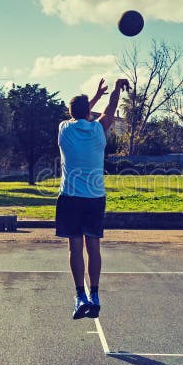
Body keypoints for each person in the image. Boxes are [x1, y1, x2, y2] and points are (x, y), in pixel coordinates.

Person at [57, 78, 129, 319]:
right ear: (89, 112)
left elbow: (78, 115)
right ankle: (95, 295)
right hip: (95, 198)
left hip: (71, 197)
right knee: (94, 246)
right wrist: (115, 89)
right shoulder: (99, 129)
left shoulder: (64, 129)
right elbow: (110, 109)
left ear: (71, 113)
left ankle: (80, 296)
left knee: (75, 247)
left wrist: (94, 97)